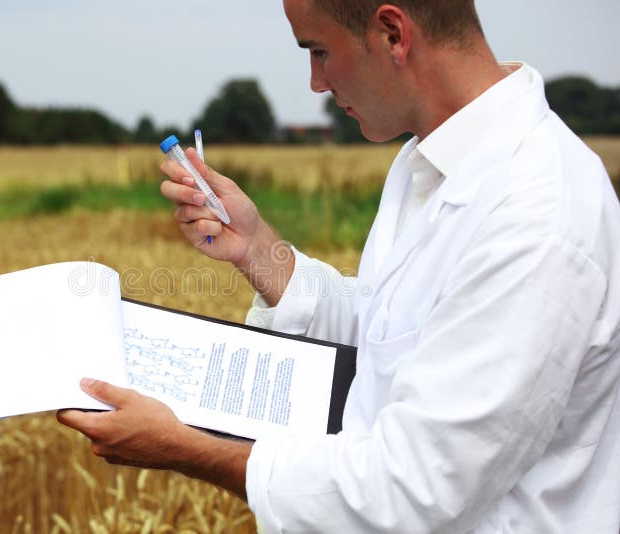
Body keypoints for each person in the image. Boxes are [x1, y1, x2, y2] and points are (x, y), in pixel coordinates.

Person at [57, 0, 620, 531]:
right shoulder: (427, 160)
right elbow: (389, 339)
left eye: (318, 50)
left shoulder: (536, 214)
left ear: (393, 34)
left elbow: (414, 491)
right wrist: (258, 249)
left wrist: (184, 447)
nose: (316, 83)